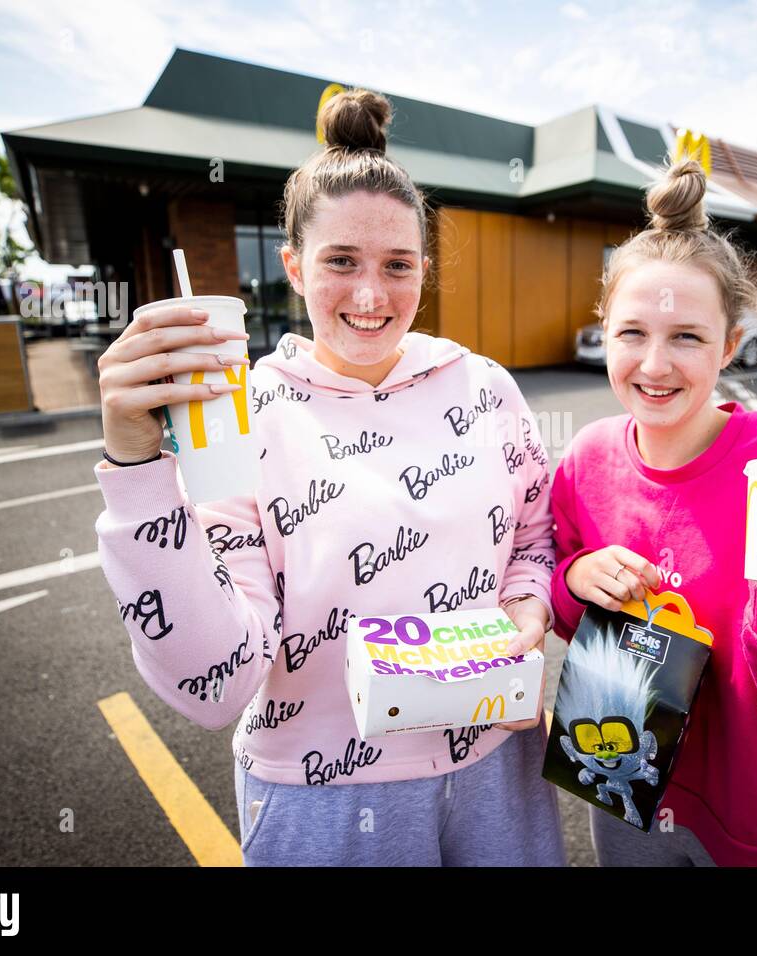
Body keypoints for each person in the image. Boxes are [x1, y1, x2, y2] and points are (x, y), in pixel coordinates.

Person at [92, 88, 564, 866]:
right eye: (341, 261)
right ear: (294, 267)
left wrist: (525, 607)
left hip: (498, 770)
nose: (372, 297)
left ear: (425, 268)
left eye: (398, 266)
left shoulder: (484, 385)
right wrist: (138, 469)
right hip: (325, 798)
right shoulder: (239, 414)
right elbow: (213, 685)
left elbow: (534, 538)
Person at [549, 158, 757, 866]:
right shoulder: (585, 460)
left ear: (730, 344)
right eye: (632, 333)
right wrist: (577, 579)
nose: (654, 364)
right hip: (628, 794)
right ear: (603, 333)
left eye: (687, 337)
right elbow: (563, 607)